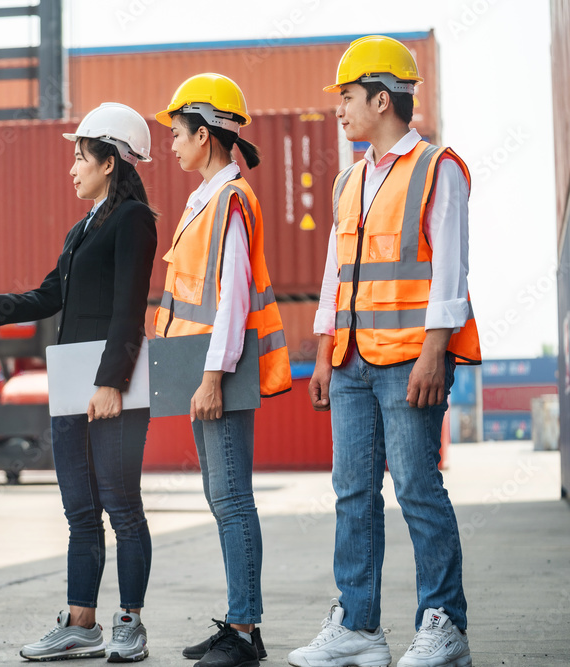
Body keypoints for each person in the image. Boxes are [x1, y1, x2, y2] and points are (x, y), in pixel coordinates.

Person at [289, 35, 480, 667]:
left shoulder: (436, 167)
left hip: (408, 361)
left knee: (418, 489)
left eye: (347, 96)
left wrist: (434, 352)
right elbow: (334, 275)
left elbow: (450, 270)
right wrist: (323, 352)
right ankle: (359, 627)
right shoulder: (349, 180)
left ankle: (444, 625)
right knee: (352, 493)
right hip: (350, 362)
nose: (339, 107)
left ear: (381, 98)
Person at [0, 103, 157, 662]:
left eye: (81, 157)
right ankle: (82, 624)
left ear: (110, 161)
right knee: (80, 510)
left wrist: (111, 383)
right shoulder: (82, 229)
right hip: (72, 382)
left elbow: (129, 307)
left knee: (122, 507)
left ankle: (129, 623)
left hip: (110, 387)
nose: (72, 168)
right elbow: (47, 295)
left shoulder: (133, 220)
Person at [152, 73, 292, 667]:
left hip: (219, 375)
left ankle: (243, 628)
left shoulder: (230, 200)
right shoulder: (205, 199)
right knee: (222, 498)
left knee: (233, 499)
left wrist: (212, 377)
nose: (172, 144)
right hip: (200, 371)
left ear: (204, 136)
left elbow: (233, 297)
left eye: (177, 134)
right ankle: (240, 624)